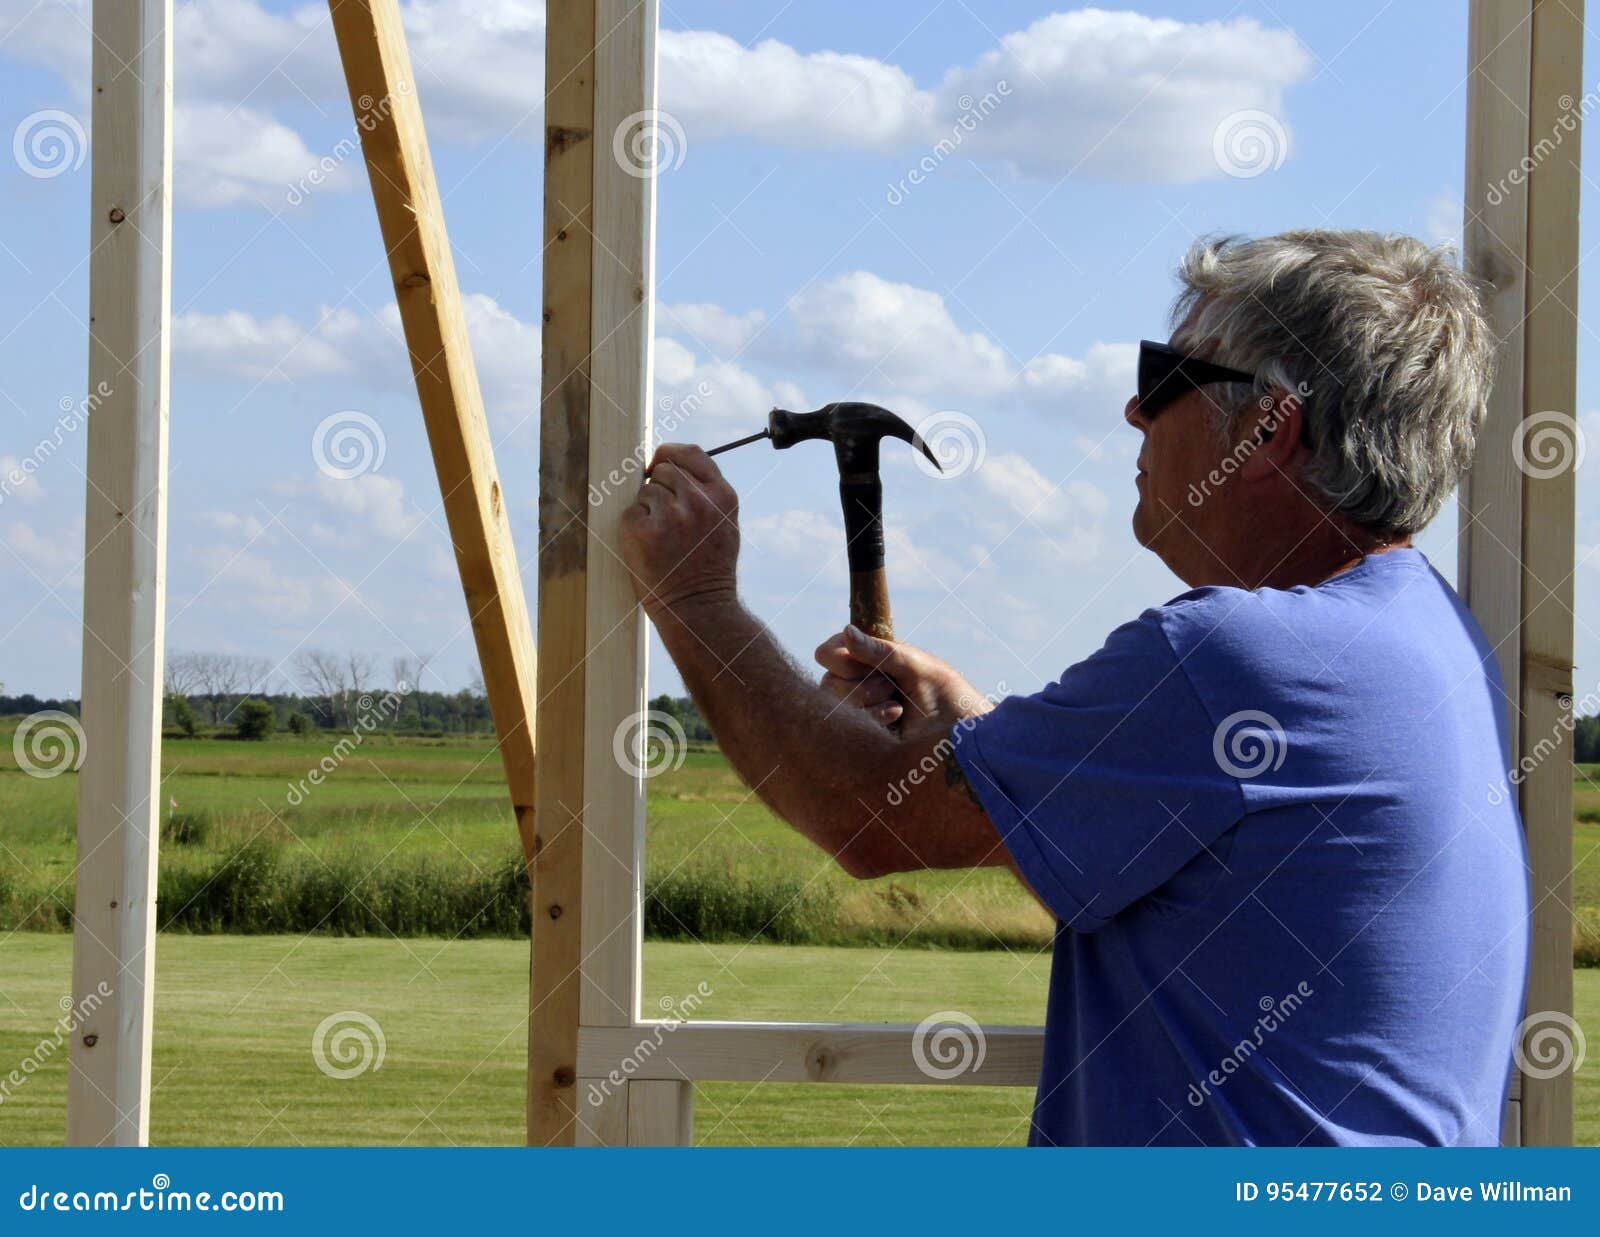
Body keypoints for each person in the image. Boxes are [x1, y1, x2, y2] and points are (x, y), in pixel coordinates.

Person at [620, 230, 1527, 1146]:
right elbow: (1195, 829)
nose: (1135, 409)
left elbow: (865, 814)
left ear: (1268, 428)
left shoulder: (1230, 658)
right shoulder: (1437, 642)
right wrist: (980, 735)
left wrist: (694, 599)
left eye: (1165, 376)